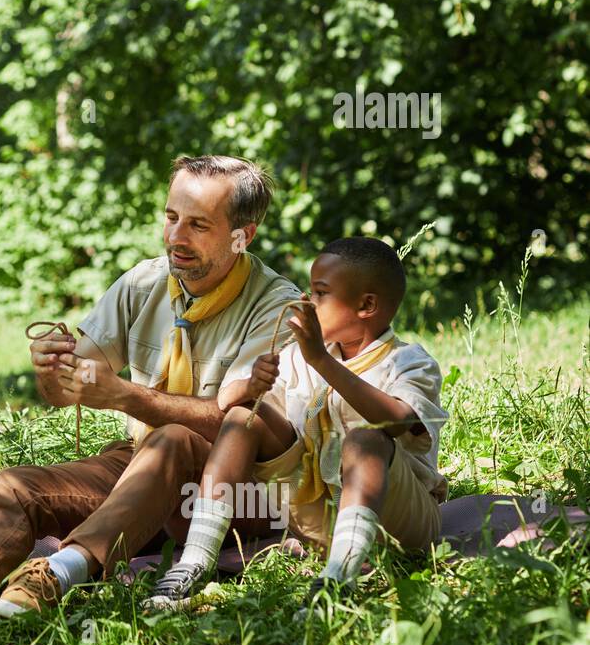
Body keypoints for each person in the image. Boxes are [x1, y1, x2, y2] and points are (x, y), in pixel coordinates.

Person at [0, 155, 300, 619]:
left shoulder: (277, 306)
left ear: (243, 235)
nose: (176, 237)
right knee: (18, 486)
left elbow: (242, 424)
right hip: (148, 465)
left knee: (173, 438)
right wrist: (53, 371)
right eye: (172, 217)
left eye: (199, 225)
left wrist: (123, 395)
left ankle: (56, 574)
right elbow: (68, 390)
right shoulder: (146, 281)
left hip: (242, 492)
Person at [144, 237, 447, 615]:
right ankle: (195, 561)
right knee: (246, 415)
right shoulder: (299, 356)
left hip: (401, 526)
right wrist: (250, 385)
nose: (306, 301)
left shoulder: (408, 362)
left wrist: (322, 361)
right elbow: (225, 403)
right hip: (316, 519)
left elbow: (400, 421)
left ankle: (338, 581)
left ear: (366, 305)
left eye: (320, 293)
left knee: (367, 438)